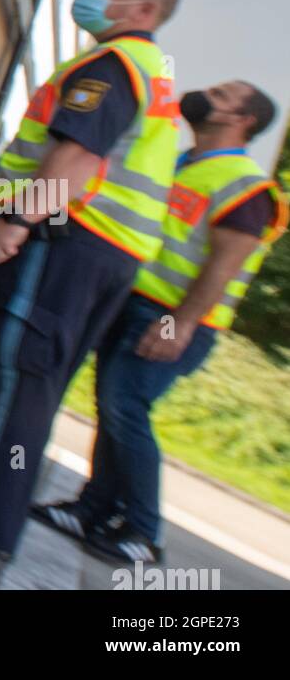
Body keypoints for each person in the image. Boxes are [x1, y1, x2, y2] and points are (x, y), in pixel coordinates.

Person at [0, 0, 182, 559]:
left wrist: (18, 221)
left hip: (66, 239)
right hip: (104, 256)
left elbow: (77, 158)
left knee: (15, 375)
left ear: (144, 12)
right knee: (33, 382)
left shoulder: (113, 65)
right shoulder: (154, 74)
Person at [33, 79, 286, 564]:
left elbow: (223, 267)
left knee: (126, 406)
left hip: (172, 318)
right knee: (112, 406)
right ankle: (92, 510)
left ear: (243, 120)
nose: (208, 93)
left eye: (223, 94)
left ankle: (145, 533)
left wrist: (178, 325)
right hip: (134, 304)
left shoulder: (247, 188)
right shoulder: (180, 164)